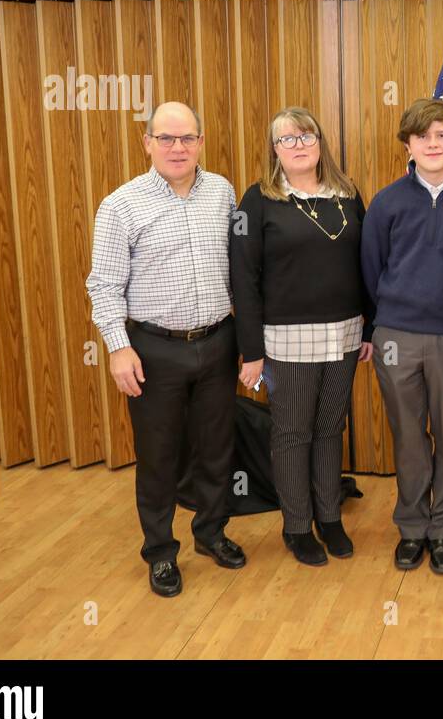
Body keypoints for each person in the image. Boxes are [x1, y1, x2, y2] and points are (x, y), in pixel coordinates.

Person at [86, 101, 244, 598]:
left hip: (218, 341)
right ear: (147, 142)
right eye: (167, 138)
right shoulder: (120, 205)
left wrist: (248, 341)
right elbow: (104, 284)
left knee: (217, 449)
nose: (179, 148)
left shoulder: (222, 192)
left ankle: (211, 533)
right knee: (159, 457)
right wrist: (117, 347)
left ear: (201, 141)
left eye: (188, 138)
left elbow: (238, 270)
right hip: (154, 350)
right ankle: (159, 552)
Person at [229, 107, 373, 567]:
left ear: (320, 142)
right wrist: (250, 351)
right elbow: (243, 279)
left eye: (306, 135)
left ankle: (329, 517)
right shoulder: (258, 201)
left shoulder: (347, 193)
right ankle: (296, 526)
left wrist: (368, 326)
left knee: (331, 429)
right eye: (286, 139)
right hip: (284, 340)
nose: (298, 144)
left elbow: (366, 265)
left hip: (345, 333)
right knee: (292, 433)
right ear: (274, 150)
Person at [361, 98, 443, 575]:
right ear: (408, 144)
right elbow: (371, 270)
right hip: (396, 336)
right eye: (423, 136)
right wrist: (379, 324)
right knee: (409, 434)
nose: (433, 144)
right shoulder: (388, 201)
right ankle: (413, 527)